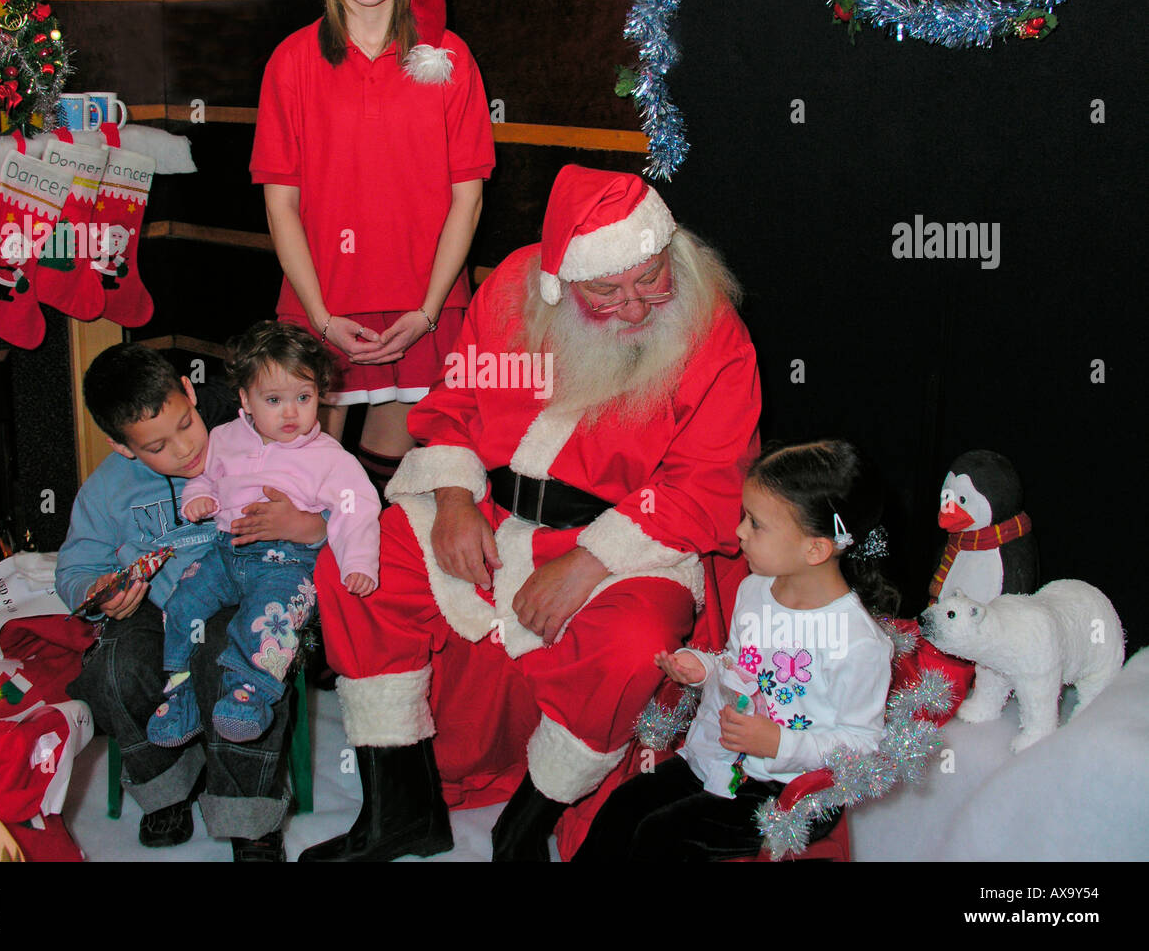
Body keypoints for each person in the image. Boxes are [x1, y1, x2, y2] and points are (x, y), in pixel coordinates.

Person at [299, 164, 762, 862]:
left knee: (635, 645)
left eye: (651, 280)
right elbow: (456, 402)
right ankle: (400, 812)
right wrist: (453, 498)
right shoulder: (516, 290)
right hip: (493, 507)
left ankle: (525, 827)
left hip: (636, 538)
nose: (635, 307)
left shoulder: (714, 332)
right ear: (561, 285)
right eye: (607, 290)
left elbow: (708, 483)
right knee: (356, 570)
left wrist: (590, 560)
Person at [250, 0, 496, 498]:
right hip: (324, 297)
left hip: (421, 302)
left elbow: (468, 198)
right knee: (307, 470)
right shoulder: (291, 61)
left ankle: (365, 581)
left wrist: (429, 310)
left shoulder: (452, 61)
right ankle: (306, 589)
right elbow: (280, 204)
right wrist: (321, 316)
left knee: (393, 466)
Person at [60, 344, 328, 862]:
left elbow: (340, 511)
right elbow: (76, 567)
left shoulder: (259, 443)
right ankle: (167, 788)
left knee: (231, 664)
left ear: (189, 391)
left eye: (186, 424)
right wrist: (98, 593)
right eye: (156, 446)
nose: (183, 450)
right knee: (115, 668)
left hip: (246, 595)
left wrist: (305, 526)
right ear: (122, 447)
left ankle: (249, 815)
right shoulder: (105, 491)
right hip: (156, 609)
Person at [574, 439, 899, 861]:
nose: (740, 531)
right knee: (625, 806)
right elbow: (743, 666)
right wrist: (706, 669)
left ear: (815, 548)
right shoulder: (754, 590)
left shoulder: (858, 642)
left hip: (786, 792)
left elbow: (862, 744)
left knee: (662, 837)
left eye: (756, 524)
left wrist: (780, 742)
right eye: (745, 516)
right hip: (720, 760)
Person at [147, 322, 380, 748]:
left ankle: (248, 692)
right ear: (246, 400)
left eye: (303, 399)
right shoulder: (223, 438)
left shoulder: (328, 458)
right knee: (183, 601)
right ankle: (180, 687)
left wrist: (358, 561)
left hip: (288, 563)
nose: (290, 414)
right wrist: (198, 498)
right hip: (225, 551)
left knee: (271, 616)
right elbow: (206, 479)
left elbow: (356, 509)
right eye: (274, 400)